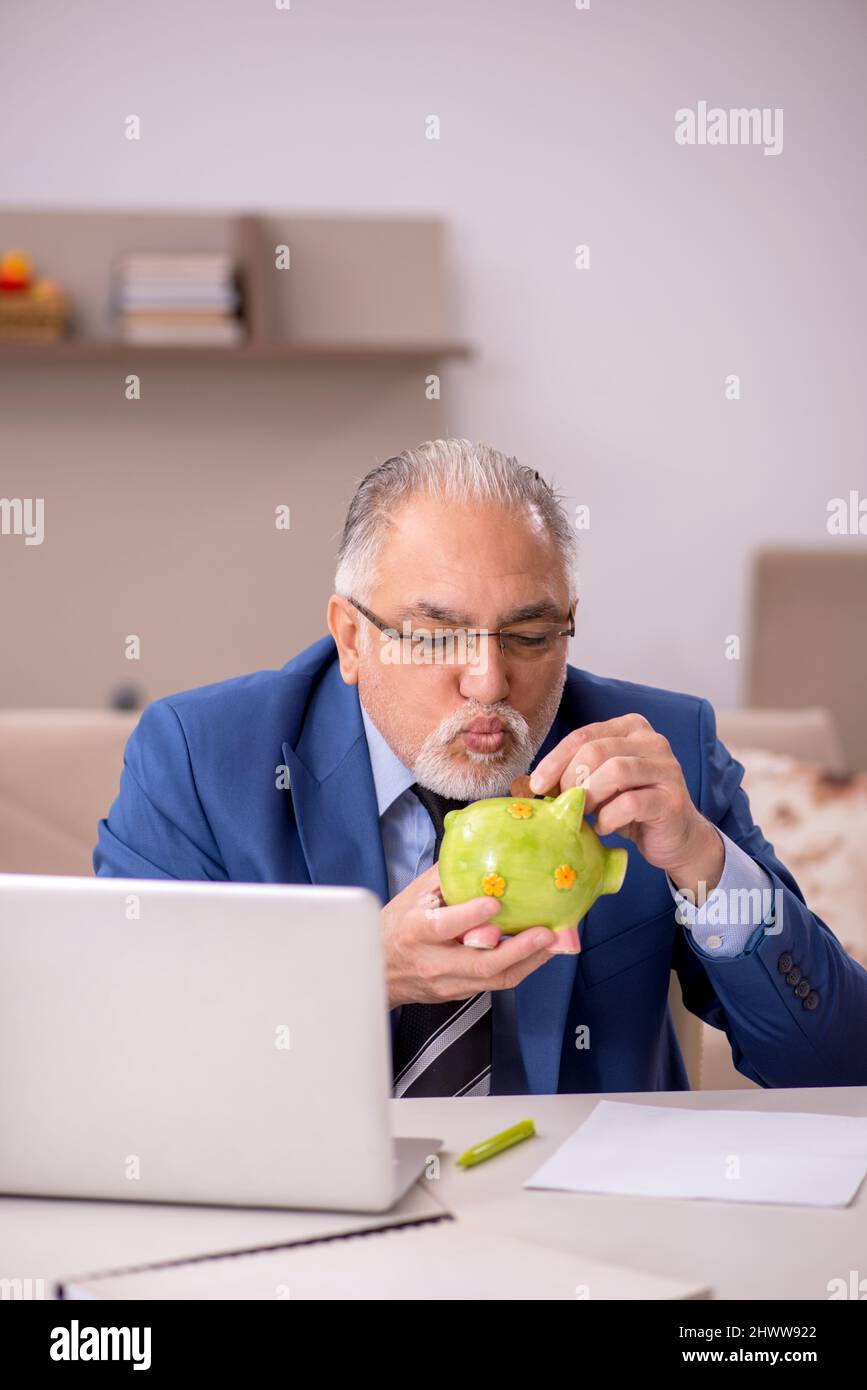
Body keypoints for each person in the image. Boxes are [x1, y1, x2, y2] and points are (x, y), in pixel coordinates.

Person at [95, 438, 867, 1096]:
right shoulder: (202, 757)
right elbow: (121, 1048)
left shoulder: (662, 750)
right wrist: (355, 972)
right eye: (436, 635)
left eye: (529, 636)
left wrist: (703, 865)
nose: (490, 682)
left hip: (588, 1234)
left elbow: (837, 1067)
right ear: (351, 639)